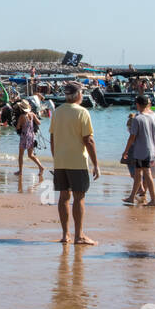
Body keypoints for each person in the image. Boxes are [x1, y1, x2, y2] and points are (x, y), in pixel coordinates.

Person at [49, 81, 100, 245]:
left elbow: (52, 138)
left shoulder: (57, 112)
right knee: (79, 198)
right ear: (78, 94)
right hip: (77, 161)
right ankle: (78, 235)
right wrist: (96, 164)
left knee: (64, 197)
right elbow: (89, 140)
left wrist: (56, 157)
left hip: (61, 160)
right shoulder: (82, 112)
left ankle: (65, 235)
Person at [121, 95, 155, 206]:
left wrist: (126, 151)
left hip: (141, 150)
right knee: (138, 173)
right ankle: (131, 197)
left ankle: (153, 199)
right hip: (151, 149)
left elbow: (132, 137)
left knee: (147, 173)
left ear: (137, 105)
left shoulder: (137, 119)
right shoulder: (154, 116)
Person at [14, 100, 45, 176]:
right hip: (32, 136)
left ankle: (20, 171)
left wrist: (18, 126)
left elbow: (18, 127)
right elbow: (39, 123)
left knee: (21, 155)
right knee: (30, 155)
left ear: (21, 109)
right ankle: (41, 167)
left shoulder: (22, 116)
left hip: (24, 136)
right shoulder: (32, 114)